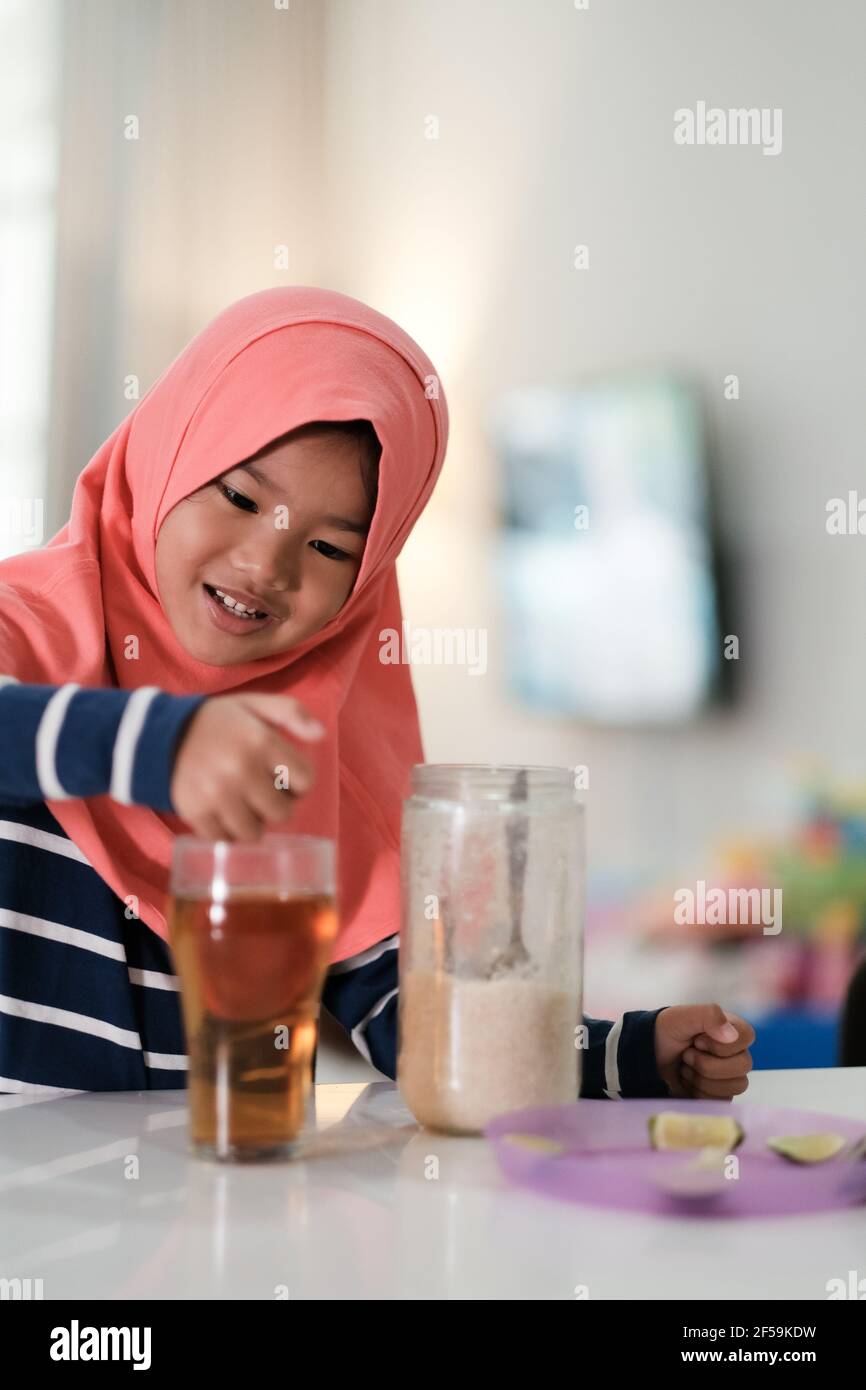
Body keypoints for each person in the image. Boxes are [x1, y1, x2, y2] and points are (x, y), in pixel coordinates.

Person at [0, 285, 754, 1099]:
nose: (265, 565)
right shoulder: (23, 630)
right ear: (167, 454)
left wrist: (626, 1057)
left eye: (329, 547)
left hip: (206, 1214)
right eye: (240, 497)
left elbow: (420, 1023)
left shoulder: (319, 753)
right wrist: (156, 744)